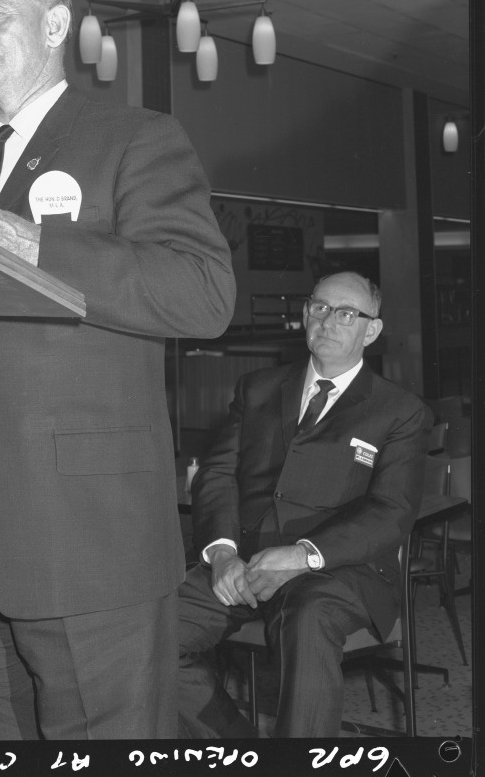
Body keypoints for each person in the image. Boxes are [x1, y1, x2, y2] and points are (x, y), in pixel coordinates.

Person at [0, 0, 236, 739]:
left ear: (56, 26)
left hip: (89, 538)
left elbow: (203, 293)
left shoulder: (134, 139)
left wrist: (37, 248)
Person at [178, 270, 432, 738]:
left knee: (309, 617)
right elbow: (217, 475)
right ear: (304, 315)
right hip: (242, 565)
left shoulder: (399, 411)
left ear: (371, 330)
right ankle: (242, 751)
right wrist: (221, 552)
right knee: (149, 634)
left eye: (346, 313)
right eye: (319, 307)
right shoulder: (256, 388)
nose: (329, 321)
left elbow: (392, 511)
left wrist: (301, 555)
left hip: (335, 572)